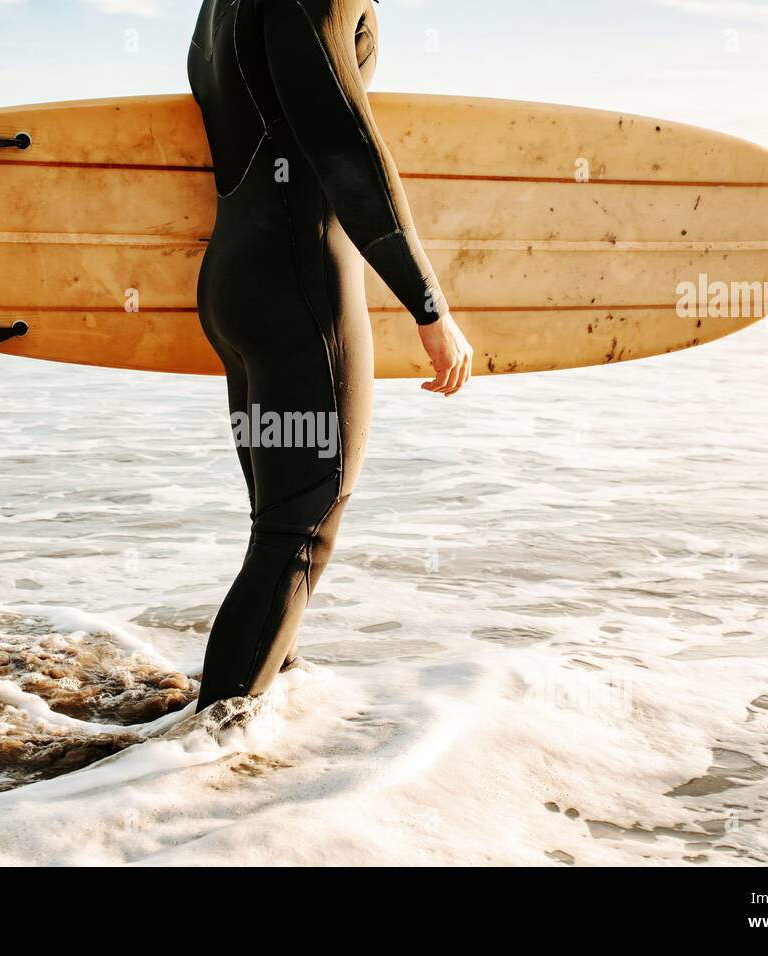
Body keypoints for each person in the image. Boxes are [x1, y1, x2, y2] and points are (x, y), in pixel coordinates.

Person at [188, 0, 473, 710]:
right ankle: (189, 775)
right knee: (296, 537)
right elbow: (344, 147)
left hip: (234, 292)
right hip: (301, 295)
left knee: (280, 536)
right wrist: (429, 304)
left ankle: (252, 745)